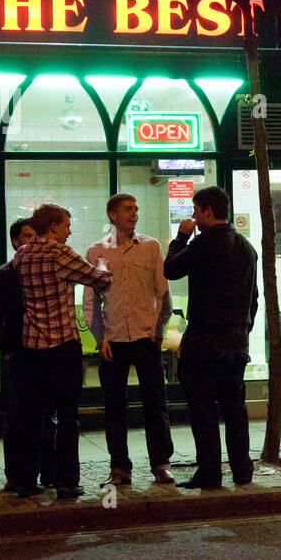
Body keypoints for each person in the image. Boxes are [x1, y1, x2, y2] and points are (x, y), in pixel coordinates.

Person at [12, 203, 112, 499]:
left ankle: (28, 482)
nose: (69, 231)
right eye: (67, 225)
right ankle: (67, 481)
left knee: (34, 416)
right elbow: (100, 280)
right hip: (62, 346)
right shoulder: (59, 253)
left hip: (32, 347)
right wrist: (105, 265)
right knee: (68, 416)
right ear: (52, 227)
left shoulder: (22, 254)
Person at [165, 185, 259, 490]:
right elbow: (253, 299)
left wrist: (180, 238)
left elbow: (171, 269)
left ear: (207, 211)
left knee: (203, 409)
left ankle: (210, 473)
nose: (193, 215)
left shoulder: (203, 244)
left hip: (204, 341)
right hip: (235, 342)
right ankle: (242, 471)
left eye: (195, 210)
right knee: (235, 409)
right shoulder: (246, 247)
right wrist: (244, 329)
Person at [86, 192, 176, 487]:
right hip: (113, 339)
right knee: (114, 406)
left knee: (155, 403)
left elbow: (163, 293)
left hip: (145, 337)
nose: (133, 213)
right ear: (112, 215)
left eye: (136, 208)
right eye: (127, 209)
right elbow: (91, 301)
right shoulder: (97, 252)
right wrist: (100, 338)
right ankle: (119, 468)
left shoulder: (150, 247)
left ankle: (161, 464)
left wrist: (158, 331)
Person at [0, 218, 60, 492]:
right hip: (19, 355)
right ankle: (16, 475)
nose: (33, 240)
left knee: (47, 417)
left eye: (35, 235)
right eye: (28, 236)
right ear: (15, 241)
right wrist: (8, 349)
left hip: (45, 352)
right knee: (18, 419)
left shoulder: (47, 270)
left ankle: (48, 473)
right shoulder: (4, 275)